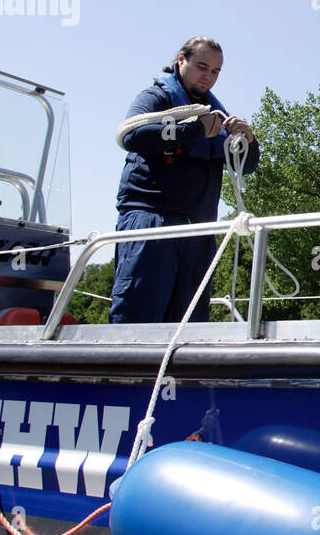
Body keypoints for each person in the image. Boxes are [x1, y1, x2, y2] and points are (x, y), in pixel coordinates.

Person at [110, 36, 258, 323]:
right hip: (151, 223)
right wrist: (192, 130)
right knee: (138, 317)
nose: (208, 76)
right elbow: (131, 134)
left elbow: (246, 167)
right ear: (181, 60)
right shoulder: (156, 98)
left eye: (215, 71)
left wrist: (249, 141)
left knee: (189, 324)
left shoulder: (218, 114)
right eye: (202, 67)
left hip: (197, 233)